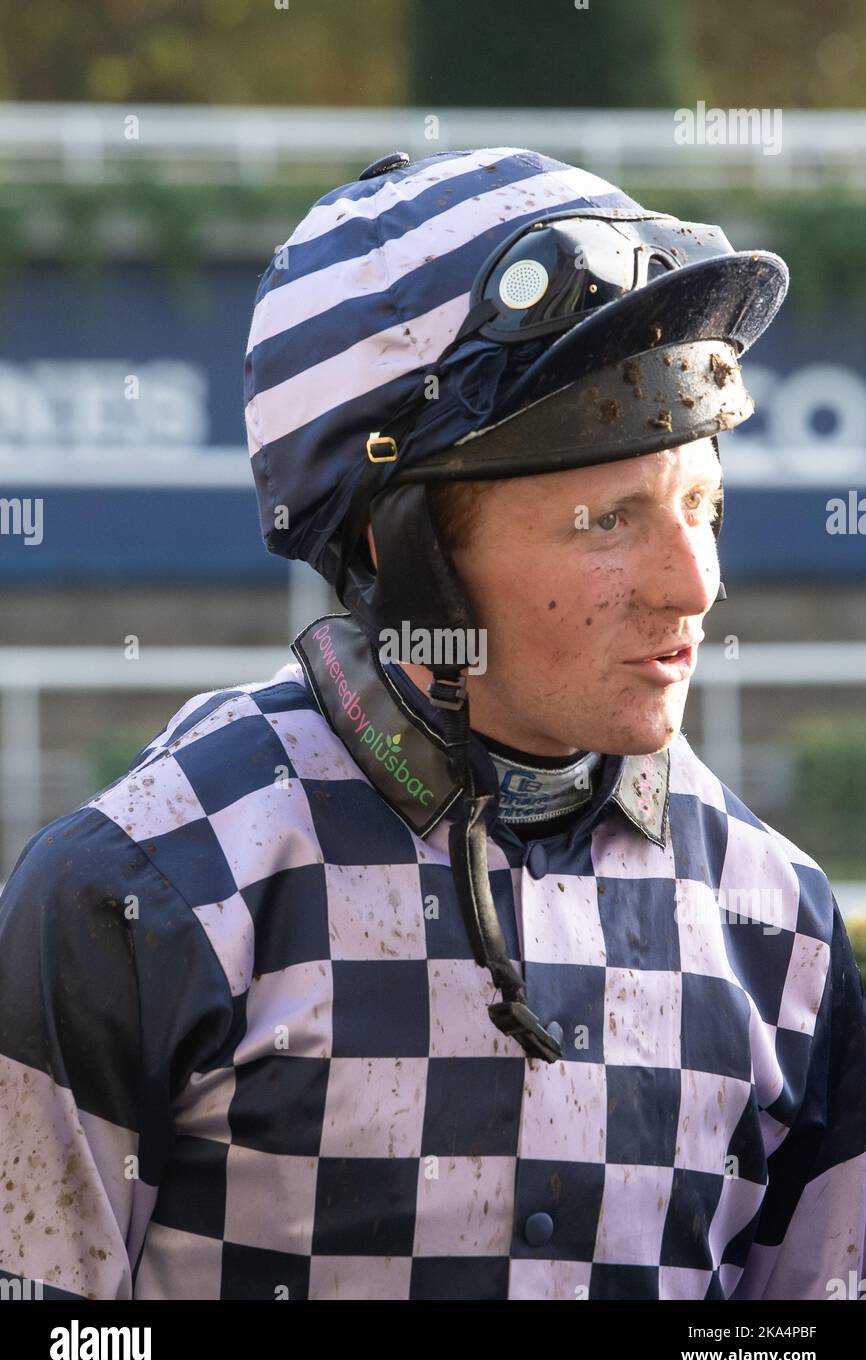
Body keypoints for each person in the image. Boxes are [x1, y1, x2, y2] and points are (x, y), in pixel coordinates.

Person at [1, 147, 864, 1301]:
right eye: (604, 519)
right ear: (396, 558)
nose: (691, 586)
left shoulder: (785, 923)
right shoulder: (137, 893)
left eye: (700, 504)